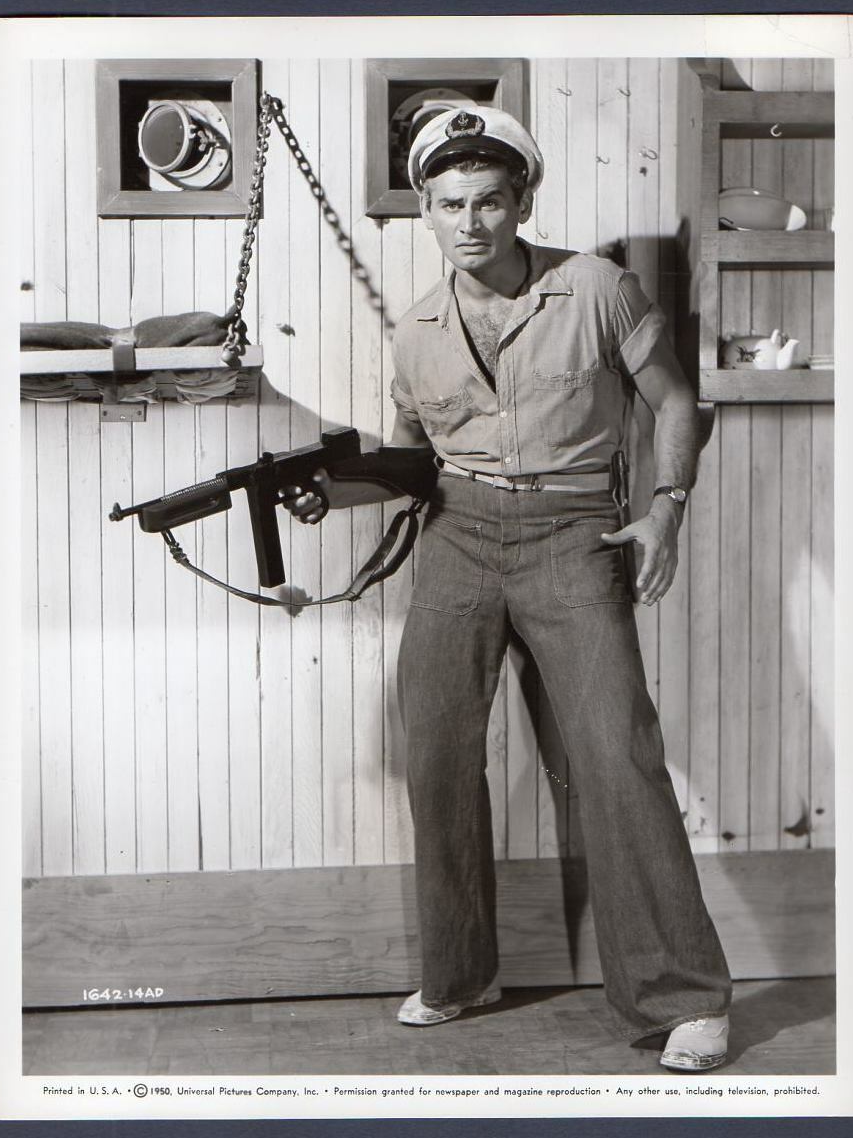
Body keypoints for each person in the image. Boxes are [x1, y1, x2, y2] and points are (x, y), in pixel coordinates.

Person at [281, 105, 732, 1073]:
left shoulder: (599, 288)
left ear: (524, 199)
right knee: (438, 746)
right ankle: (459, 972)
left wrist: (667, 507)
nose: (471, 221)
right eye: (450, 204)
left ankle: (685, 994)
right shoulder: (417, 331)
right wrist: (333, 493)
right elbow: (413, 462)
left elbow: (680, 397)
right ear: (426, 212)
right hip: (458, 532)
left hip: (575, 531)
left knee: (616, 750)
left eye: (490, 200)